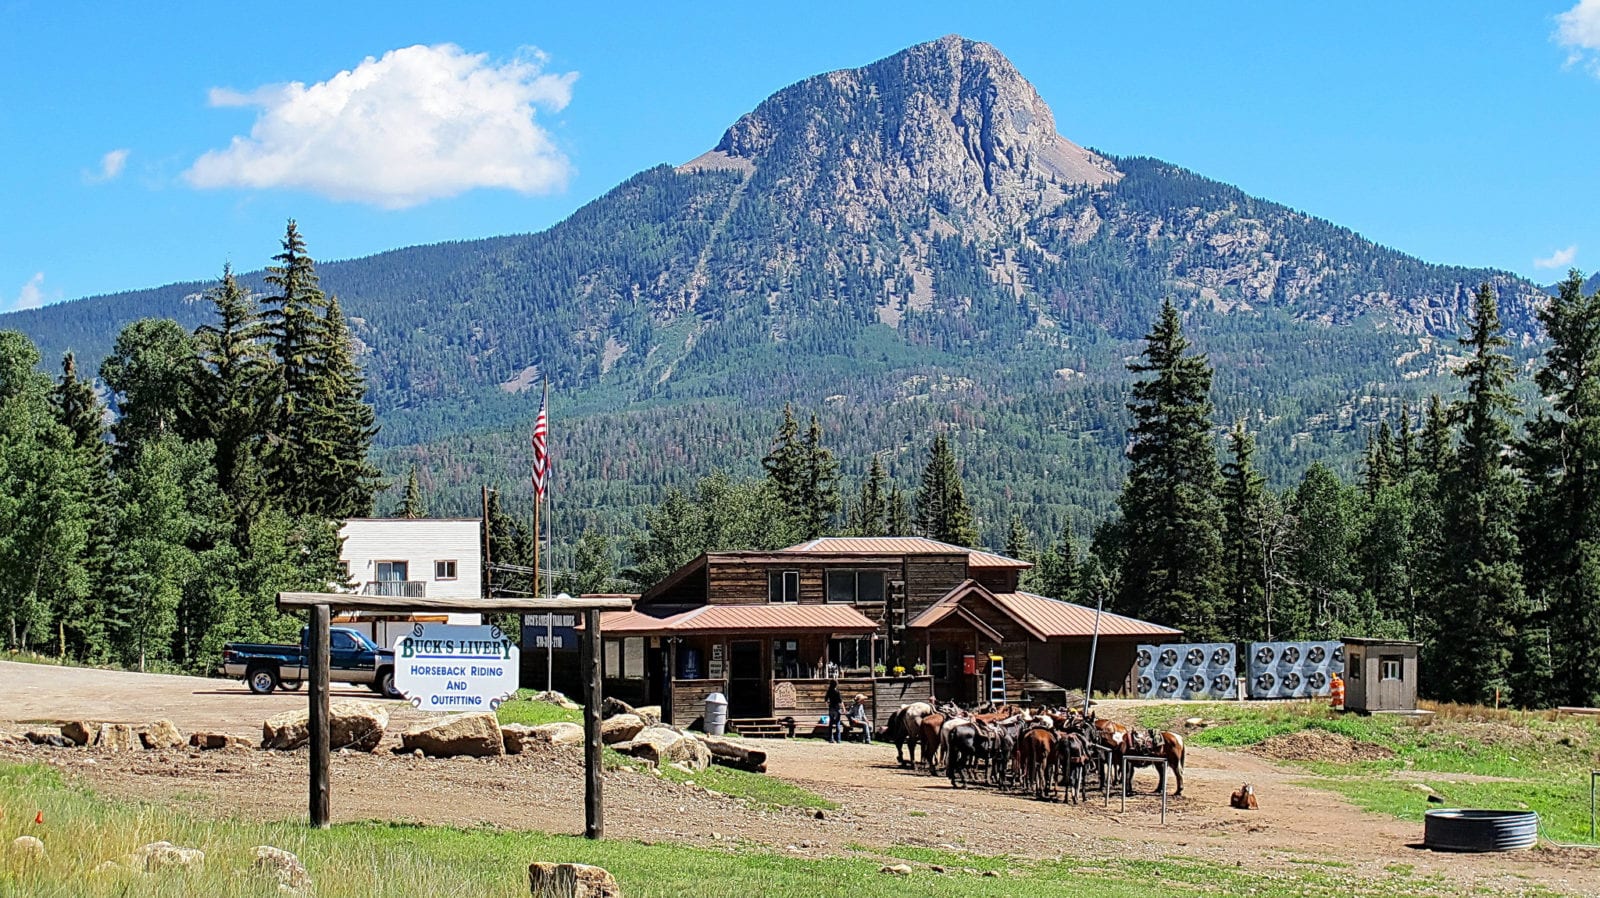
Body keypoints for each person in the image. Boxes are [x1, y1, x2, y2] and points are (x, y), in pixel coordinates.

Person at [825, 678, 843, 743]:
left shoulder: (829, 691)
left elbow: (826, 700)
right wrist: (843, 708)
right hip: (837, 708)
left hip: (831, 708)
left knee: (831, 723)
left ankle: (831, 738)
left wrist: (828, 705)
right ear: (836, 684)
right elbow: (840, 701)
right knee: (838, 723)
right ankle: (838, 739)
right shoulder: (837, 691)